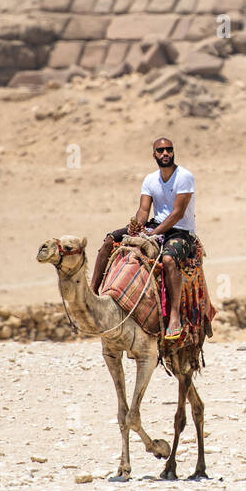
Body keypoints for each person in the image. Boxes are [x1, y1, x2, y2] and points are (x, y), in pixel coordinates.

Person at [90, 137, 199, 339]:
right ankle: (92, 295)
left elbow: (177, 213)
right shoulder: (150, 179)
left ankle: (174, 315)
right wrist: (137, 225)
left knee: (168, 259)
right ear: (154, 155)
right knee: (109, 241)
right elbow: (143, 209)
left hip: (180, 231)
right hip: (154, 227)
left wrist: (153, 234)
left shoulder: (184, 176)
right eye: (161, 150)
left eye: (169, 150)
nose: (165, 153)